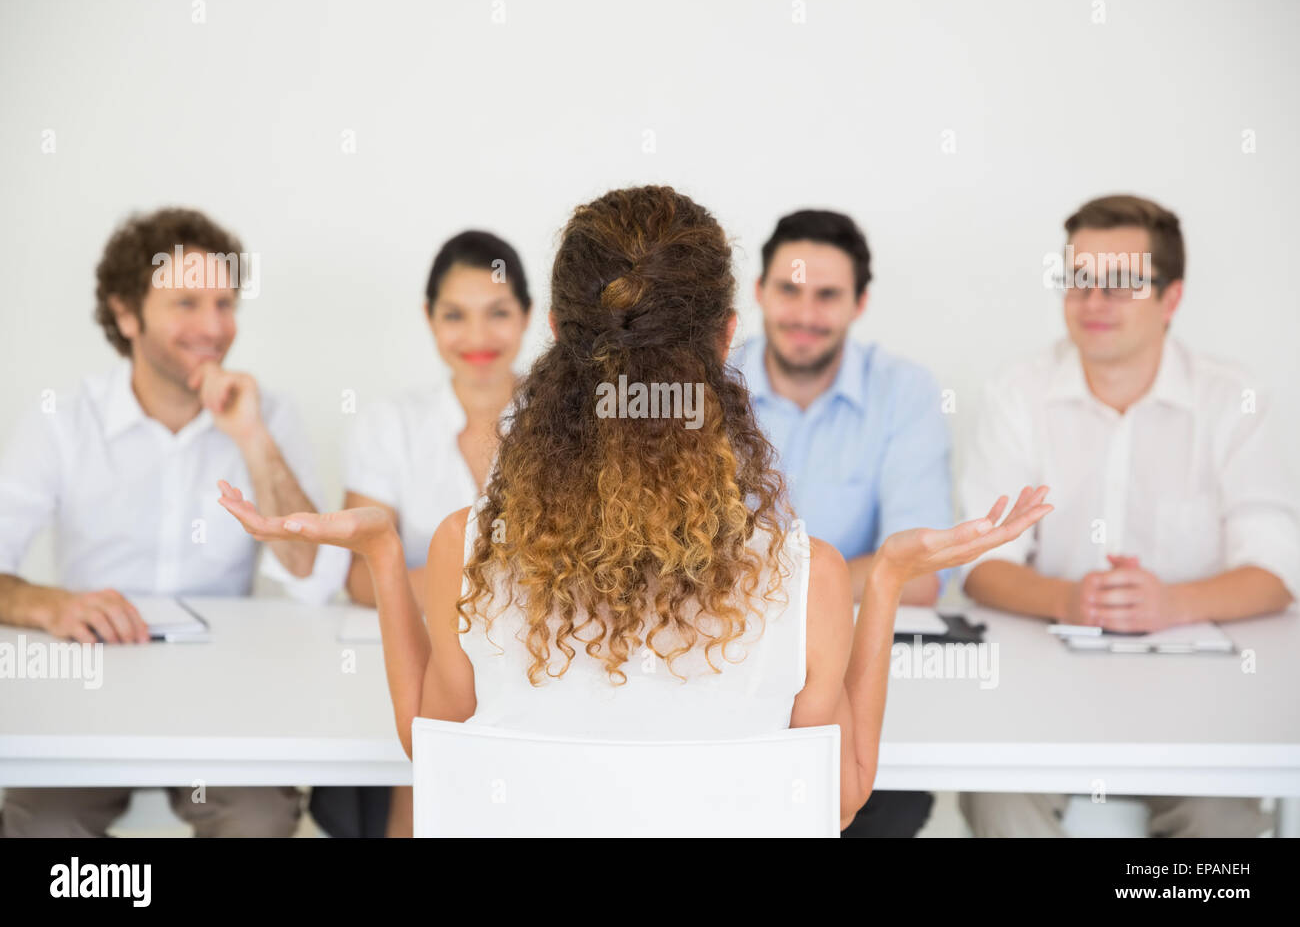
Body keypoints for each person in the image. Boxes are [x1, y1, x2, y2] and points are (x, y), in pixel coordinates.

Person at [216, 184, 1051, 834]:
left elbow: (434, 754)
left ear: (557, 335)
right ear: (728, 337)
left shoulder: (465, 550)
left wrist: (382, 560)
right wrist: (894, 574)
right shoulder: (815, 576)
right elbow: (836, 799)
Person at [958, 194, 1300, 837]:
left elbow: (1277, 567)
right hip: (1045, 691)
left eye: (1120, 283)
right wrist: (1068, 598)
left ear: (1171, 299)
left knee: (1220, 818)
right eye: (1080, 280)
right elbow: (980, 562)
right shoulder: (1017, 393)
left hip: (1202, 703)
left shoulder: (1233, 401)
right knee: (997, 799)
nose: (1093, 302)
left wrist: (1171, 604)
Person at [0, 208, 347, 837]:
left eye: (225, 302)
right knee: (40, 826)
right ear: (127, 314)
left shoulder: (266, 415)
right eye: (186, 302)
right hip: (87, 690)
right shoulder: (62, 422)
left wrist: (250, 437)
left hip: (220, 698)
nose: (214, 327)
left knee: (259, 818)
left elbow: (314, 573)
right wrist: (45, 604)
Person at [731, 209, 952, 837]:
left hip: (860, 668)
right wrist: (857, 575)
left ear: (860, 303)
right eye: (789, 291)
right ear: (759, 293)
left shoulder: (904, 393)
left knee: (885, 801)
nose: (805, 313)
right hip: (732, 668)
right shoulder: (709, 389)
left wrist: (765, 584)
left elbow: (920, 575)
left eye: (827, 295)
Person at [313, 230, 530, 838]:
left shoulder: (561, 426)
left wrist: (435, 583)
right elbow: (359, 577)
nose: (478, 337)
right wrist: (480, 586)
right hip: (424, 653)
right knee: (424, 767)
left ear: (528, 318)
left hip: (531, 659)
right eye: (455, 315)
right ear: (429, 319)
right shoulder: (391, 424)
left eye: (498, 314)